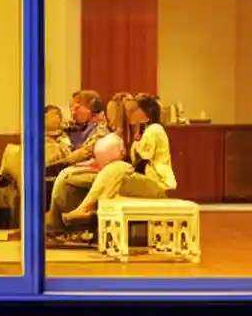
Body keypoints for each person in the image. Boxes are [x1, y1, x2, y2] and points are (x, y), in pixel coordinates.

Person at [62, 93, 177, 222]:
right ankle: (89, 210)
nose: (130, 113)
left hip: (159, 184)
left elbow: (142, 158)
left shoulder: (154, 129)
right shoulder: (143, 130)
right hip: (146, 180)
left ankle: (87, 208)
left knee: (117, 168)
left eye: (134, 110)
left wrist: (131, 140)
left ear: (145, 111)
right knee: (113, 171)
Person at [45, 90, 110, 237]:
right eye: (71, 108)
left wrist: (60, 162)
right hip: (68, 166)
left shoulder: (100, 129)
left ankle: (52, 228)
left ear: (92, 108)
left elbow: (86, 152)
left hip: (89, 169)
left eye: (77, 107)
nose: (72, 112)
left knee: (49, 178)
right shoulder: (75, 127)